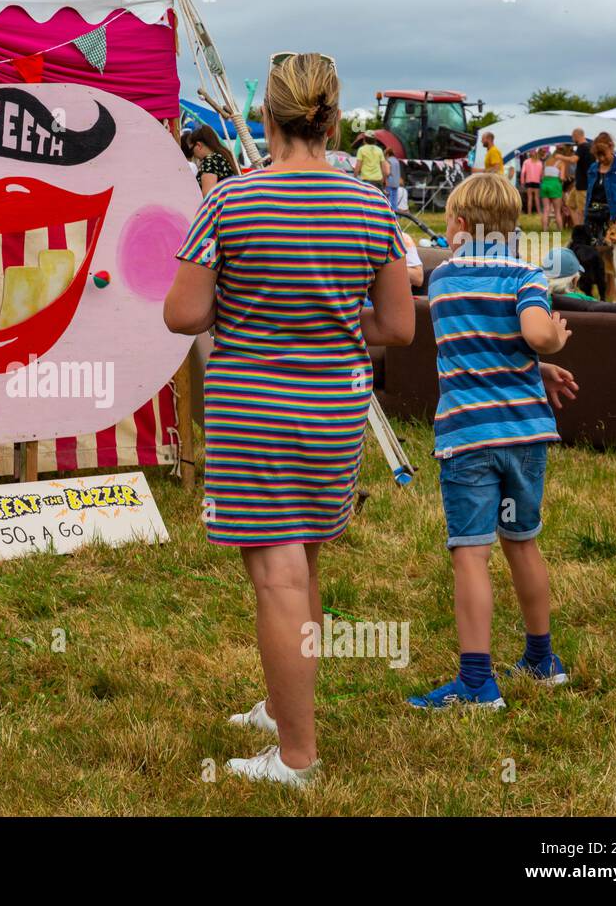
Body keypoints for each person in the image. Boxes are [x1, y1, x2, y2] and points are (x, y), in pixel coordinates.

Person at [165, 51, 414, 786]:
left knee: (275, 576)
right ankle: (281, 708)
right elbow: (398, 327)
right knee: (301, 561)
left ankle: (297, 757)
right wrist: (329, 322)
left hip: (253, 409)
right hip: (335, 407)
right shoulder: (371, 206)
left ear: (264, 119)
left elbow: (183, 313)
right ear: (334, 121)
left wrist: (253, 316)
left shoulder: (229, 203)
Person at [409, 173, 577, 711]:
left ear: (458, 224)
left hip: (468, 437)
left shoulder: (443, 279)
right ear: (511, 227)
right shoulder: (527, 273)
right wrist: (552, 344)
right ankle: (542, 658)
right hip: (526, 434)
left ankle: (478, 682)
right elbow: (529, 332)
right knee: (522, 540)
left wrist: (542, 344)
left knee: (471, 555)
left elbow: (499, 338)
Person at [187, 124, 240, 195]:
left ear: (199, 145)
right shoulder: (226, 156)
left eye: (191, 149)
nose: (193, 154)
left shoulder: (210, 161)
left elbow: (208, 196)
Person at [562, 128, 592, 224]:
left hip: (583, 184)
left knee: (582, 210)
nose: (572, 139)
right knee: (570, 204)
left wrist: (560, 157)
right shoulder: (590, 146)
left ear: (576, 136)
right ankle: (577, 228)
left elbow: (573, 160)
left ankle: (583, 230)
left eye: (572, 137)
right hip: (580, 183)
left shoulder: (582, 146)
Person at [538, 145, 567, 230]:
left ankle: (544, 230)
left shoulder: (546, 161)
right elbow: (561, 177)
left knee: (546, 210)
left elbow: (542, 177)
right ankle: (560, 230)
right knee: (557, 211)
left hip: (545, 184)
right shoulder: (561, 163)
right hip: (555, 185)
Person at [520, 147, 544, 217]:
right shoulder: (540, 162)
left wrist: (522, 182)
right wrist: (541, 180)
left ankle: (529, 214)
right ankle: (539, 213)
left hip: (529, 182)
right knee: (536, 198)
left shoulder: (526, 162)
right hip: (537, 182)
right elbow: (541, 174)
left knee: (530, 198)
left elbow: (522, 172)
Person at [384, 145, 403, 210]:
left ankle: (389, 215)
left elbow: (387, 172)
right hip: (396, 182)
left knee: (389, 200)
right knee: (395, 200)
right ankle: (396, 216)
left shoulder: (388, 161)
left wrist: (384, 178)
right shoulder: (396, 161)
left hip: (390, 182)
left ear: (387, 154)